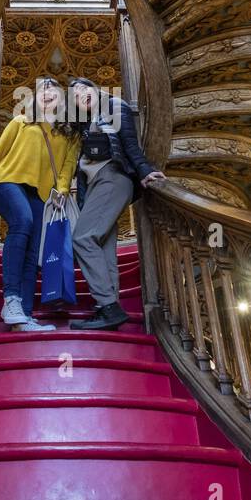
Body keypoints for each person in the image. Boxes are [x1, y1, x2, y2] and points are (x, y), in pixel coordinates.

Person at [65, 78, 164, 331]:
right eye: (75, 95)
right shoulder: (84, 126)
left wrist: (144, 171)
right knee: (103, 246)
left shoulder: (113, 106)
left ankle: (108, 306)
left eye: (84, 88)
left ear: (95, 89)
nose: (81, 94)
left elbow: (130, 144)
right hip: (97, 185)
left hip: (114, 176)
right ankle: (108, 308)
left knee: (83, 238)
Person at [0, 77, 79, 332]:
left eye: (52, 90)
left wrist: (62, 190)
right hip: (7, 181)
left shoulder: (69, 134)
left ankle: (23, 316)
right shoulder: (21, 121)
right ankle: (11, 299)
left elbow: (68, 167)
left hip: (42, 193)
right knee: (22, 222)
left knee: (34, 248)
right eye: (41, 90)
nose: (46, 93)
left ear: (62, 99)